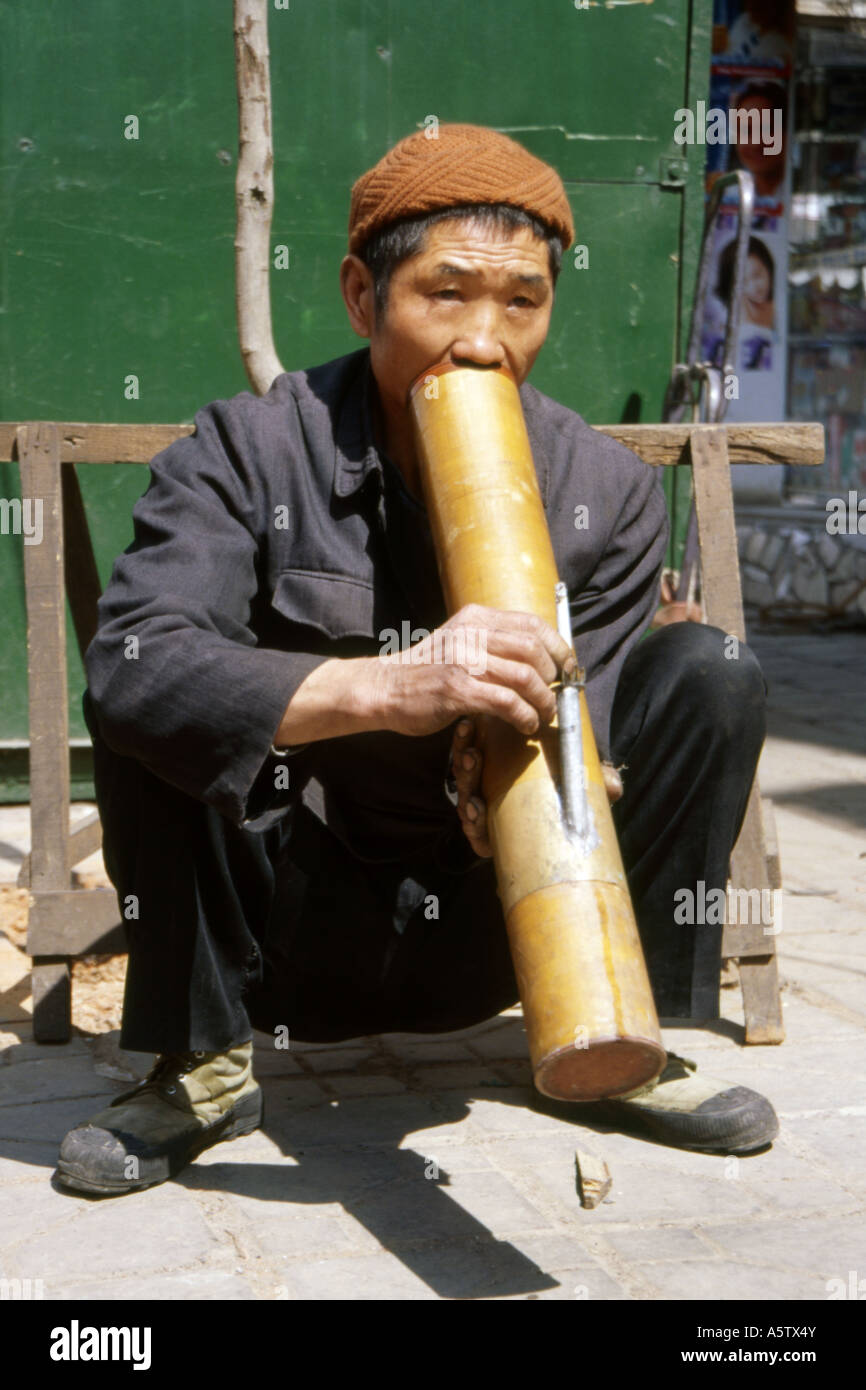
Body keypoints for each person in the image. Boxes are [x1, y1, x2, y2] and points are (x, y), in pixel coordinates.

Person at [55, 124, 777, 1197]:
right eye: (444, 295)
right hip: (290, 931)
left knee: (710, 669)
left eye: (521, 302)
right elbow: (130, 664)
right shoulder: (248, 451)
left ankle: (616, 1035)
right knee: (157, 694)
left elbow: (609, 745)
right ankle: (198, 1064)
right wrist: (389, 687)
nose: (483, 340)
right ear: (360, 295)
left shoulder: (602, 489)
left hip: (498, 922)